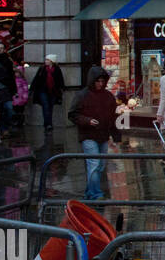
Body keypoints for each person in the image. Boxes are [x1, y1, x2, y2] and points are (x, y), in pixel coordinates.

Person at [69, 66, 121, 200]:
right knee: (95, 164)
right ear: (92, 81)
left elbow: (113, 117)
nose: (100, 84)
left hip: (102, 135)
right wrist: (87, 121)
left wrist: (116, 135)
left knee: (99, 165)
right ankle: (96, 194)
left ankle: (90, 192)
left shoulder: (108, 96)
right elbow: (72, 114)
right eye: (98, 81)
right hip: (88, 135)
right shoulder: (82, 95)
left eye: (102, 81)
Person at [30, 54, 66, 132]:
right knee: (45, 107)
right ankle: (48, 124)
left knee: (50, 107)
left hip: (53, 91)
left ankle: (48, 124)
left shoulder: (56, 69)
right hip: (43, 91)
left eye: (47, 60)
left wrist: (62, 89)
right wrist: (32, 88)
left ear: (52, 61)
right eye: (46, 60)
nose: (46, 61)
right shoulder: (42, 68)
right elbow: (36, 79)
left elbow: (60, 79)